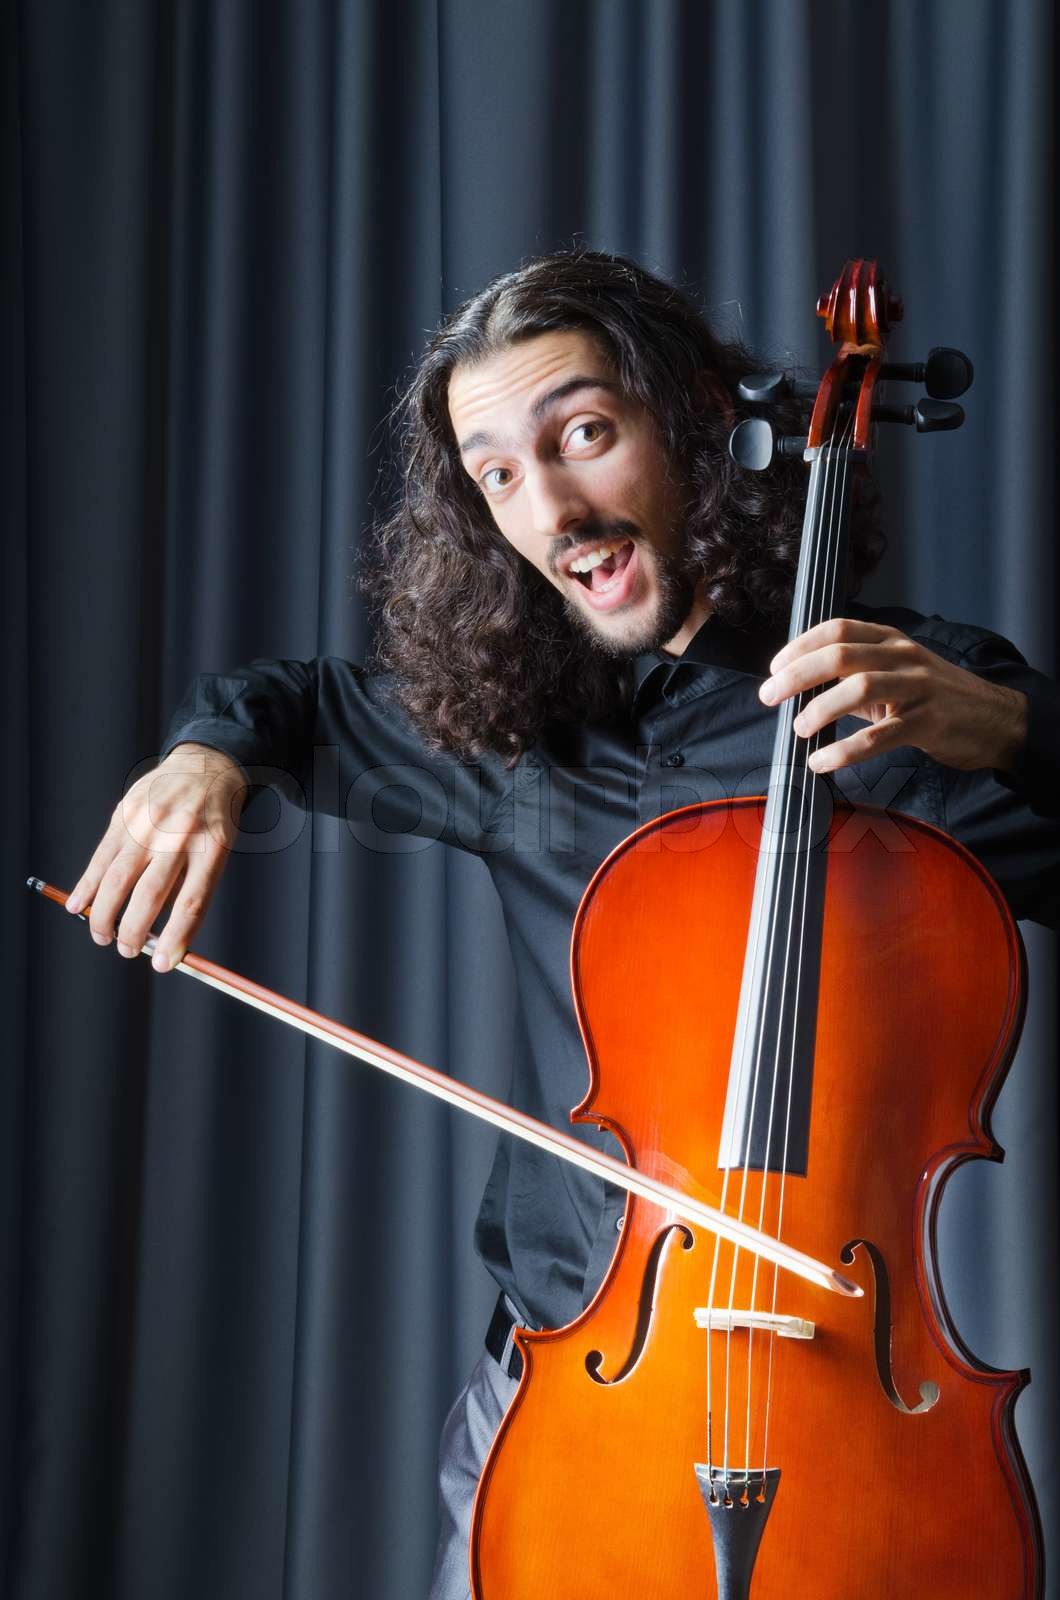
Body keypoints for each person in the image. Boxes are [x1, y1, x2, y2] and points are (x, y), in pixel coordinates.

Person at [65, 251, 1060, 1598]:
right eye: (500, 475)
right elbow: (286, 701)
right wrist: (204, 760)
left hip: (862, 1410)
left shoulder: (905, 703)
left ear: (704, 421)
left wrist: (1014, 731)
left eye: (584, 434)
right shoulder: (529, 736)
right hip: (568, 1388)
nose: (553, 509)